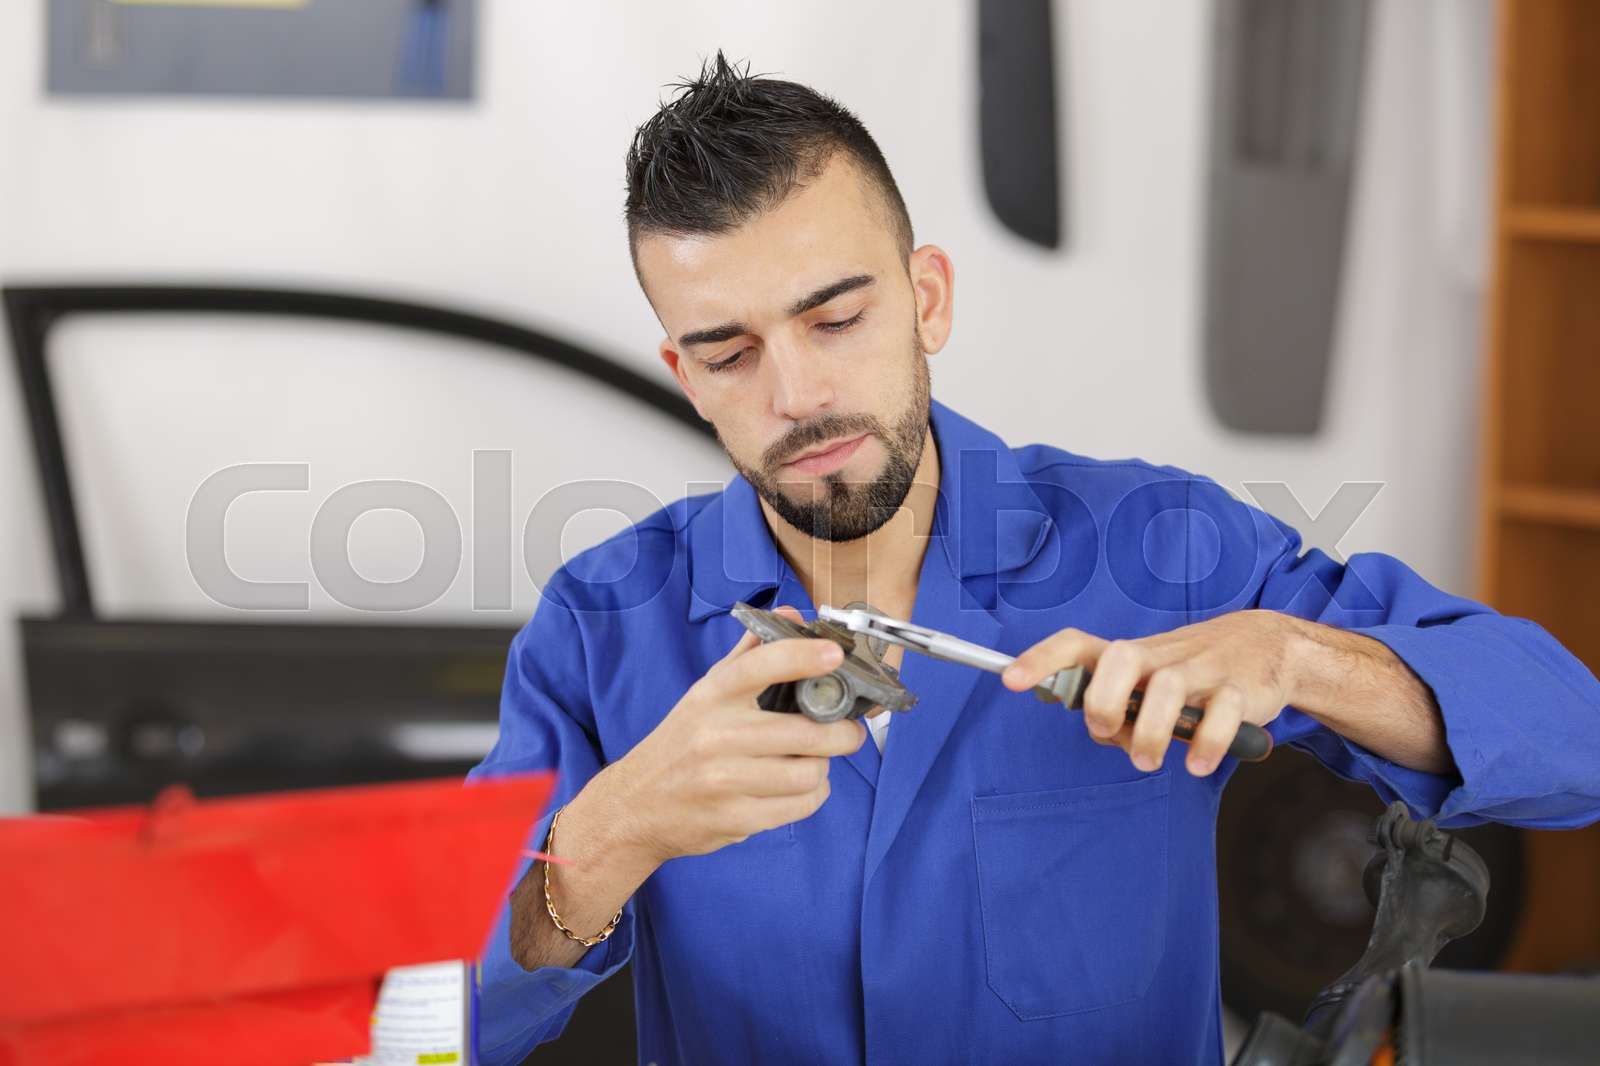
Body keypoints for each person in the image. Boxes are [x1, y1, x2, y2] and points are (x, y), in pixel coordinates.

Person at [467, 54, 1600, 1065]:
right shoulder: (597, 626)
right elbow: (425, 1028)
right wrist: (604, 839)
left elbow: (1574, 745)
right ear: (685, 374)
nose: (796, 394)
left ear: (927, 300)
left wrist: (1297, 655)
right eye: (730, 353)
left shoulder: (1164, 548)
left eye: (836, 319)